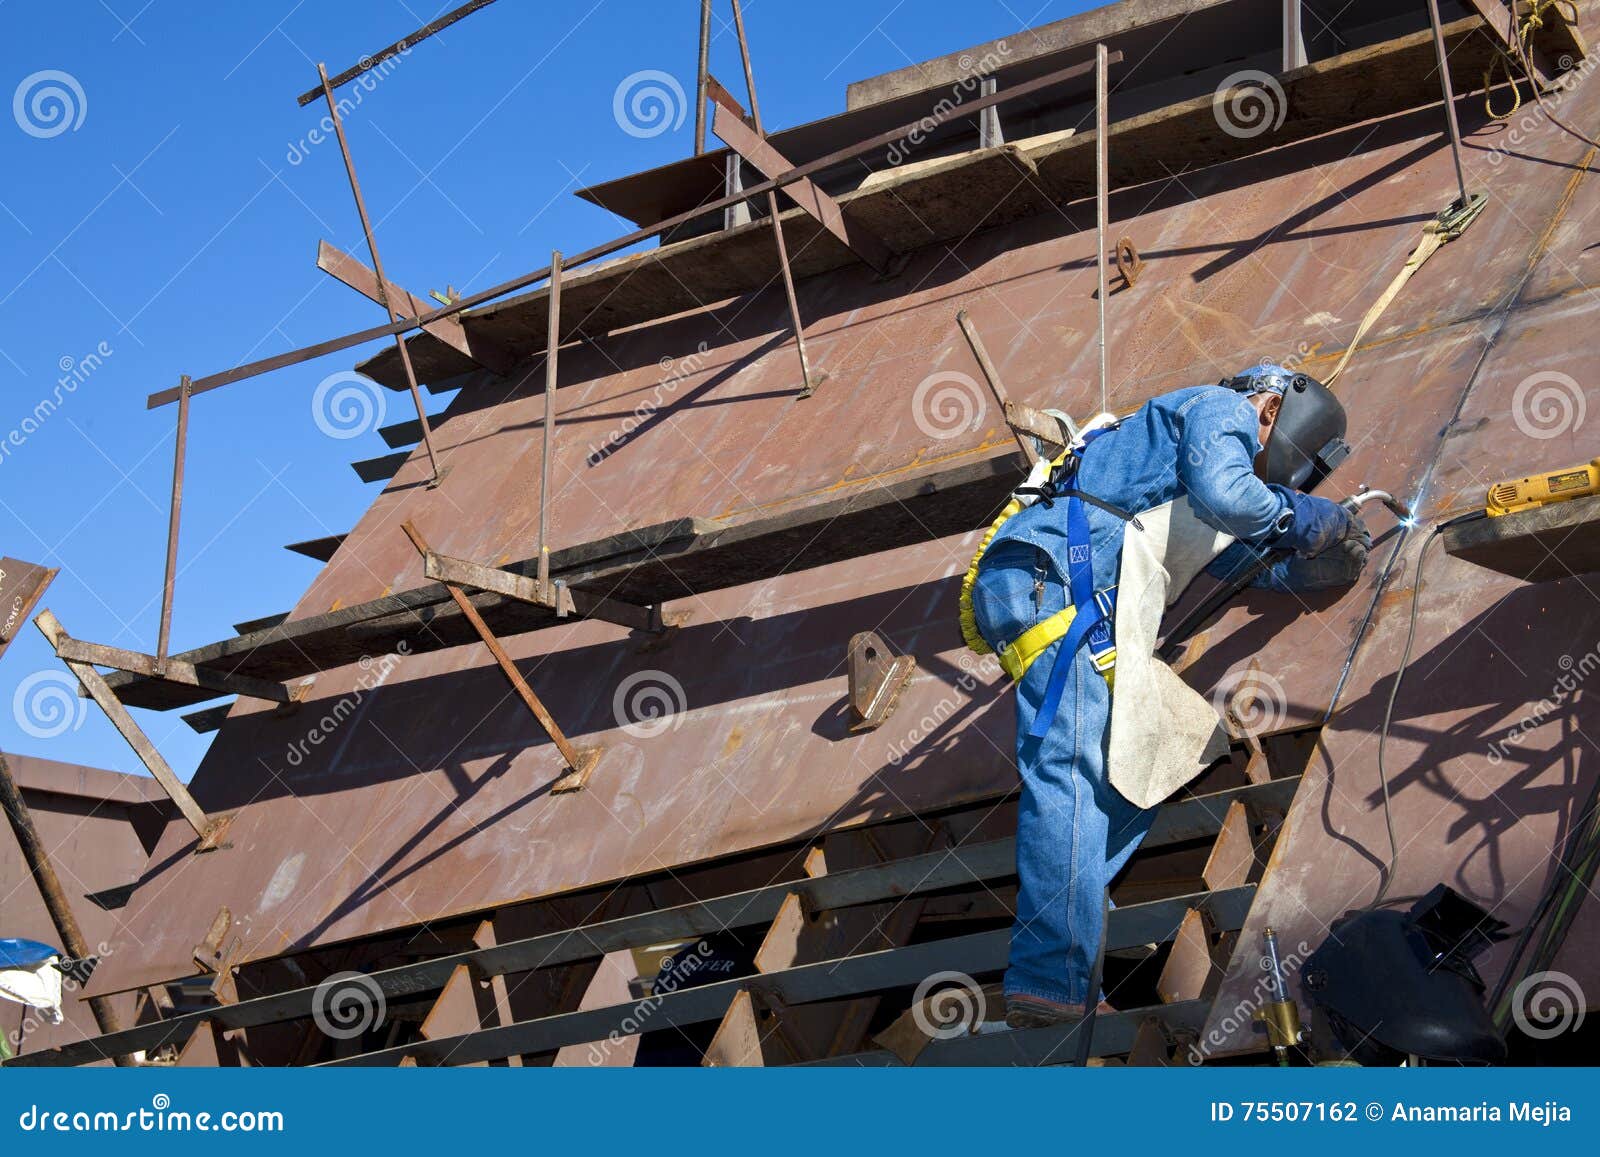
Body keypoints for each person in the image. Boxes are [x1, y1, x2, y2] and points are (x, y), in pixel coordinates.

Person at [964, 365, 1370, 1028]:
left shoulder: (1189, 482)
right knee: (1071, 777)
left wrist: (1331, 551)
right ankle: (1050, 978)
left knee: (1157, 757)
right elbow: (1235, 496)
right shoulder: (1222, 409)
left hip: (1064, 596)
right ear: (1274, 408)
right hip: (1054, 584)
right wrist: (1305, 514)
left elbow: (1247, 559)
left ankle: (1070, 934)